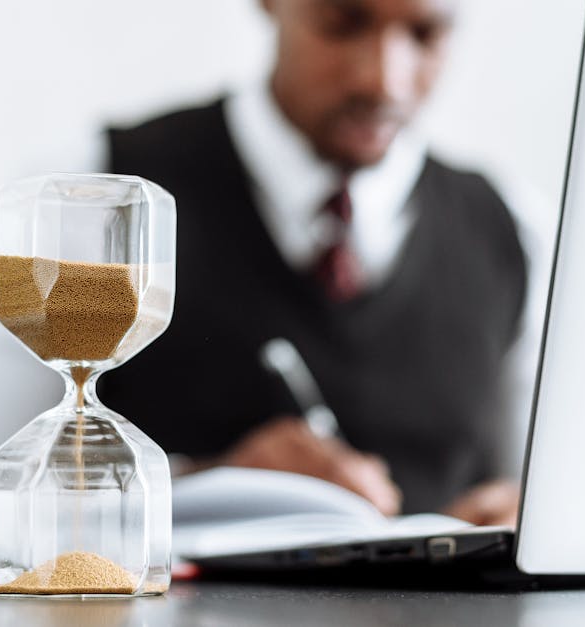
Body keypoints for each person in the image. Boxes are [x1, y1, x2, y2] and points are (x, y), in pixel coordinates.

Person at [101, 0, 544, 527]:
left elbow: (543, 489)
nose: (383, 82)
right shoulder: (102, 195)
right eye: (343, 23)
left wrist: (527, 515)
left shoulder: (515, 225)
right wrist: (206, 484)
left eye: (426, 35)